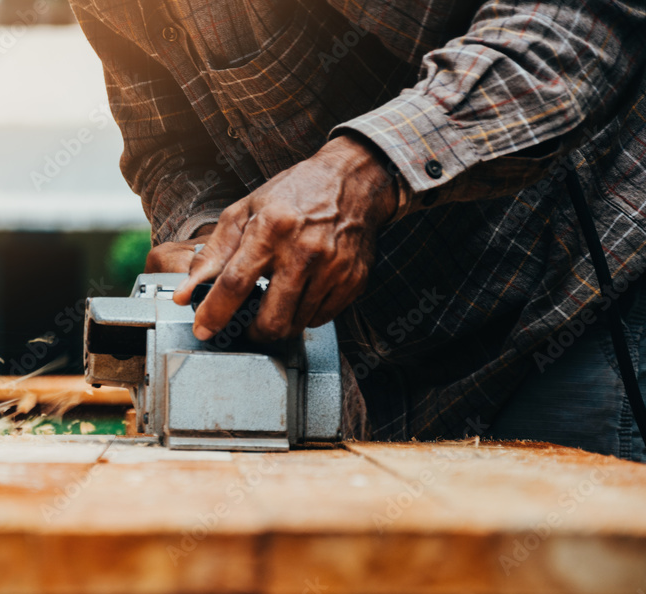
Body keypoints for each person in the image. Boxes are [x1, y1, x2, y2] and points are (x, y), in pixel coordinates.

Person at [71, 0, 646, 461]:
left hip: (569, 300)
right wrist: (210, 239)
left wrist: (365, 170)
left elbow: (577, 22)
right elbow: (168, 146)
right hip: (372, 371)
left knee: (569, 585)